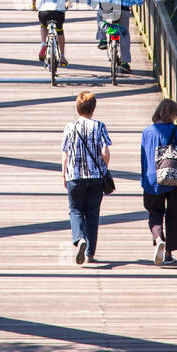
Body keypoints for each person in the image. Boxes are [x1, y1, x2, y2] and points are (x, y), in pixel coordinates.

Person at [140, 99, 177, 266]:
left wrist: (144, 180)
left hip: (152, 178)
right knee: (175, 216)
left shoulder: (147, 132)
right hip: (175, 178)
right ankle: (169, 254)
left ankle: (158, 240)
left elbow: (143, 158)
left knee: (155, 213)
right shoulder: (176, 130)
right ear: (172, 114)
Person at [61, 90, 111, 264]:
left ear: (78, 107)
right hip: (96, 177)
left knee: (75, 210)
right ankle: (90, 253)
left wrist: (64, 174)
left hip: (75, 176)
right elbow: (105, 152)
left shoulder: (69, 127)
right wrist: (104, 168)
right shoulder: (99, 126)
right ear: (93, 108)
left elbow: (65, 155)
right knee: (92, 213)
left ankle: (79, 238)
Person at [32, 0, 72, 65]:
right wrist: (67, 5)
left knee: (43, 25)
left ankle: (43, 44)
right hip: (58, 12)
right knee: (60, 31)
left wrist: (34, 7)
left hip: (44, 12)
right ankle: (62, 56)